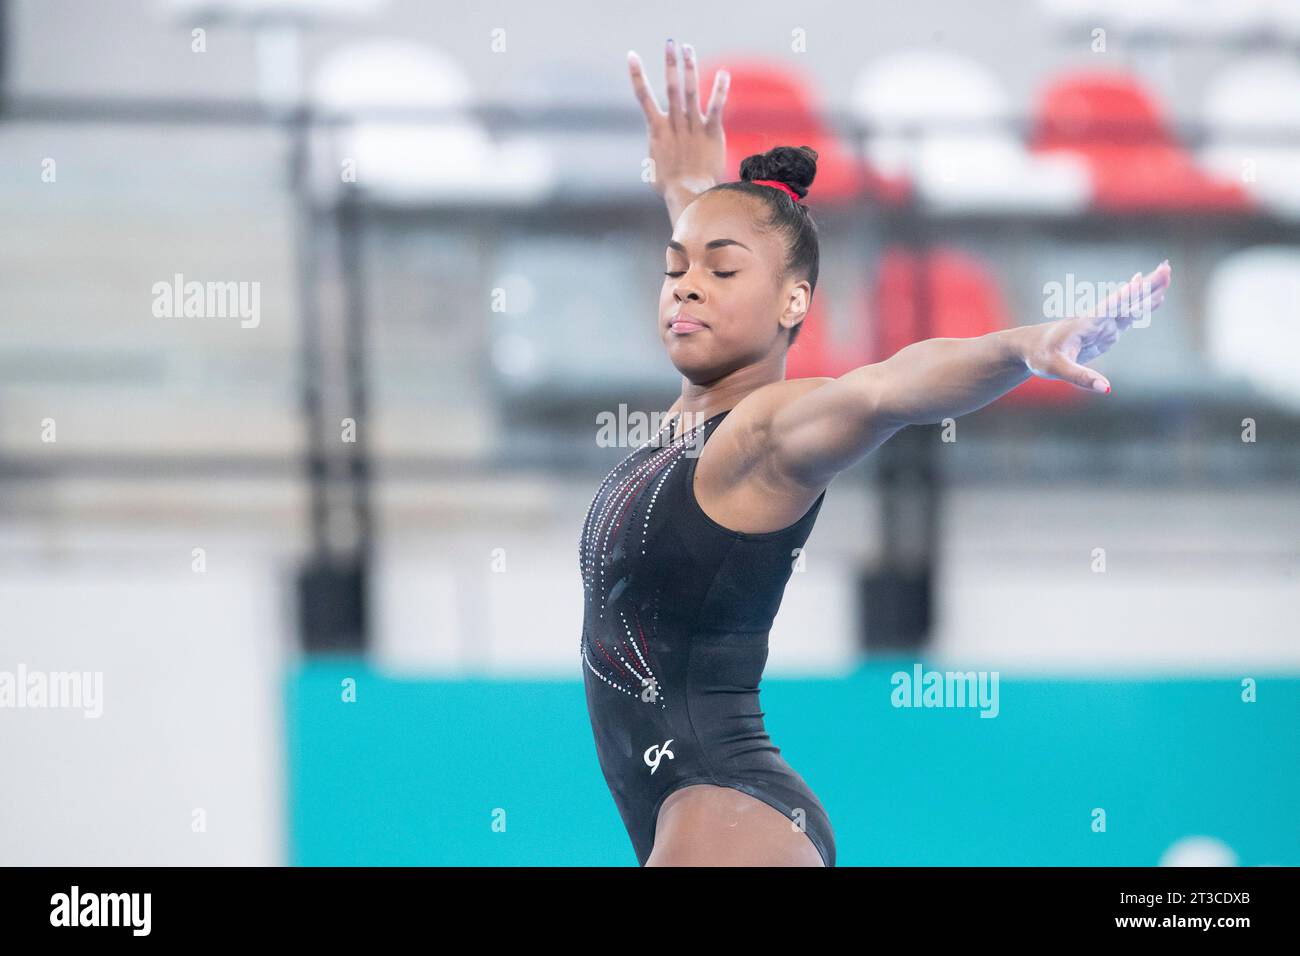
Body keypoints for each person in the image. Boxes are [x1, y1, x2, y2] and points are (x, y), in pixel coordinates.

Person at [578, 38, 1172, 867]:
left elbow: (888, 388)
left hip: (724, 807)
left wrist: (1021, 345)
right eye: (675, 267)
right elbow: (723, 264)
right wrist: (695, 191)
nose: (684, 283)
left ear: (795, 302)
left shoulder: (762, 434)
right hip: (696, 810)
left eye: (719, 269)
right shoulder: (698, 411)